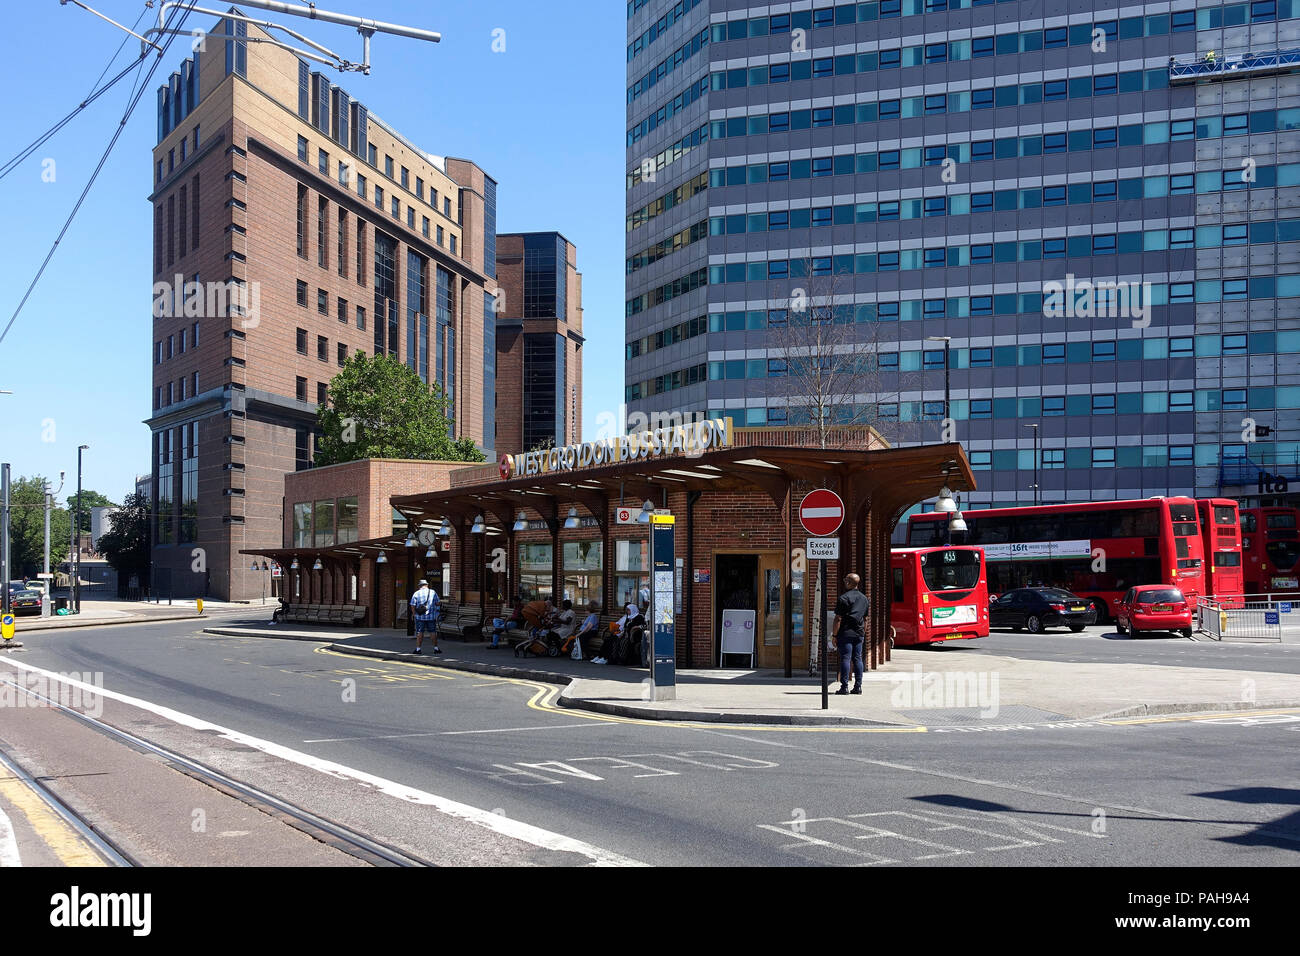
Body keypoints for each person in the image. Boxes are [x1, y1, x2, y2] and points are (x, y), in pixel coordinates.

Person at [832, 572, 869, 695]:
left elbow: (838, 618)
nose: (844, 582)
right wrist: (863, 633)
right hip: (859, 633)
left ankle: (844, 687)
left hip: (845, 633)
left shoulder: (843, 598)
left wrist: (834, 635)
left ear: (848, 582)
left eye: (845, 580)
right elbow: (865, 619)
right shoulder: (864, 599)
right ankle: (858, 687)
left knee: (846, 659)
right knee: (857, 659)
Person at [410, 578, 441, 655]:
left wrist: (414, 614)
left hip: (420, 617)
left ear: (419, 586)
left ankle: (418, 649)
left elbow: (412, 605)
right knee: (433, 632)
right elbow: (438, 603)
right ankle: (436, 648)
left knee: (419, 632)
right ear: (427, 585)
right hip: (431, 617)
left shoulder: (416, 593)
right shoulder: (433, 592)